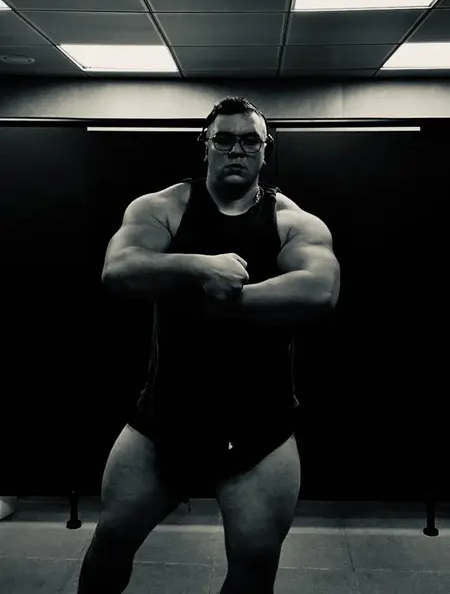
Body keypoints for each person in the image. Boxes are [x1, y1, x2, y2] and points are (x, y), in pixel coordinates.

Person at [77, 95, 340, 594]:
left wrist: (226, 302)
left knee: (255, 563)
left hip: (260, 428)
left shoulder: (292, 220)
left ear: (265, 149)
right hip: (164, 420)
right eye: (224, 139)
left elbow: (321, 289)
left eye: (249, 141)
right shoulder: (163, 207)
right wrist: (198, 266)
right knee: (111, 539)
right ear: (206, 145)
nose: (236, 150)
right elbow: (119, 268)